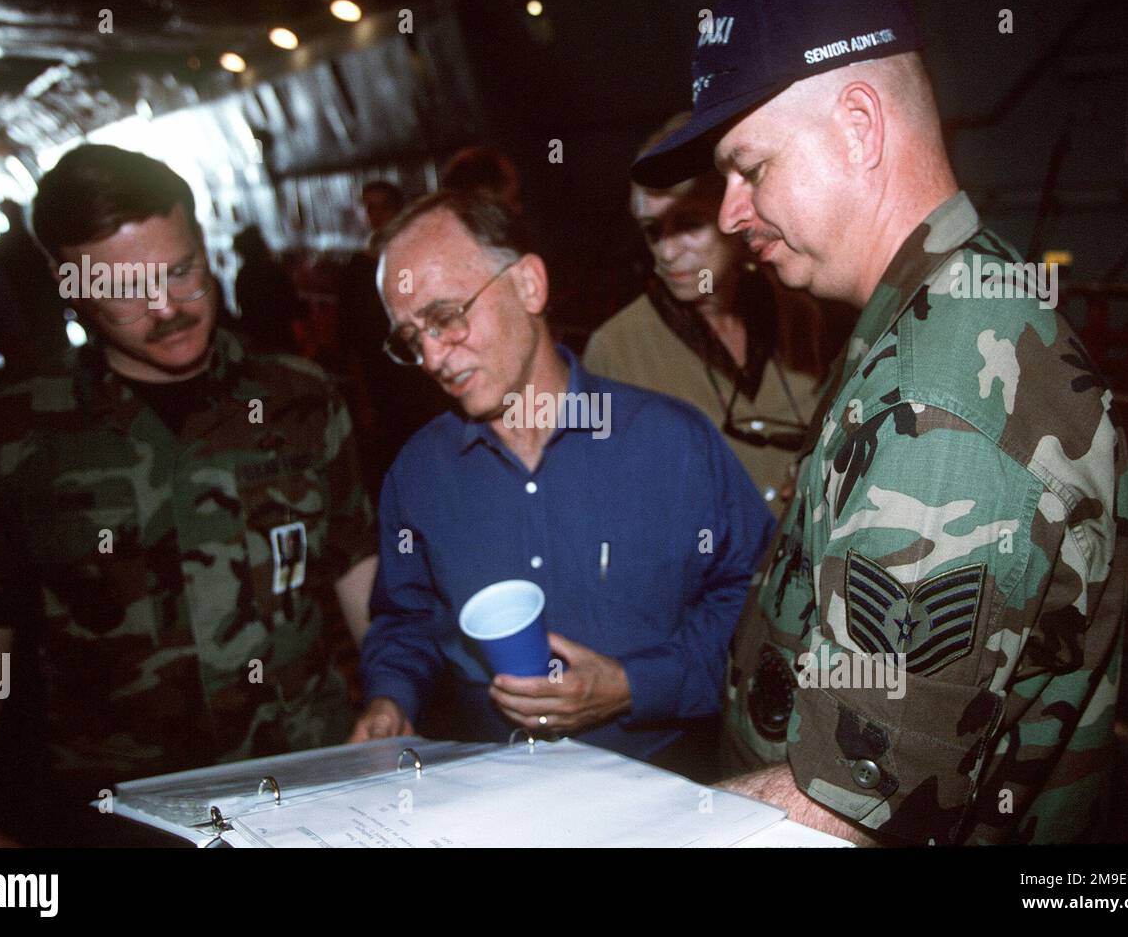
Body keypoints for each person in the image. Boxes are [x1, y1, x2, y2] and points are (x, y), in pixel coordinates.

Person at [632, 0, 1128, 844]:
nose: (728, 213)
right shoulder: (934, 309)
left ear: (860, 126)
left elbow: (847, 810)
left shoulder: (942, 397)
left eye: (751, 169)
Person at [0, 144, 379, 846]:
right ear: (67, 282)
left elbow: (358, 566)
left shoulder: (300, 398)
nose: (167, 307)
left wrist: (389, 705)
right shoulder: (14, 436)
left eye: (182, 271)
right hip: (122, 813)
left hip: (304, 783)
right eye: (127, 288)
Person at [348, 190, 774, 776]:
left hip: (664, 795)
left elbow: (755, 606)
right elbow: (405, 618)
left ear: (528, 285)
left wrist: (635, 685)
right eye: (410, 338)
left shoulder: (670, 444)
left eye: (446, 318)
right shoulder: (419, 475)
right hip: (486, 798)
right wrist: (391, 698)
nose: (432, 356)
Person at [584, 112, 824, 515]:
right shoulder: (615, 350)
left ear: (733, 212)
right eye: (652, 230)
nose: (666, 251)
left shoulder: (800, 313)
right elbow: (608, 504)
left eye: (689, 224)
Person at [338, 180, 442, 498]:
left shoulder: (421, 261)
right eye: (370, 207)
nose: (377, 215)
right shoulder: (357, 273)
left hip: (423, 384)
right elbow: (352, 342)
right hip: (382, 387)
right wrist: (364, 400)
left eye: (383, 206)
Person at [232, 223, 304, 353]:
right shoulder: (274, 271)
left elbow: (243, 307)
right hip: (280, 335)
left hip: (258, 338)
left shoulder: (243, 275)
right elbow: (291, 302)